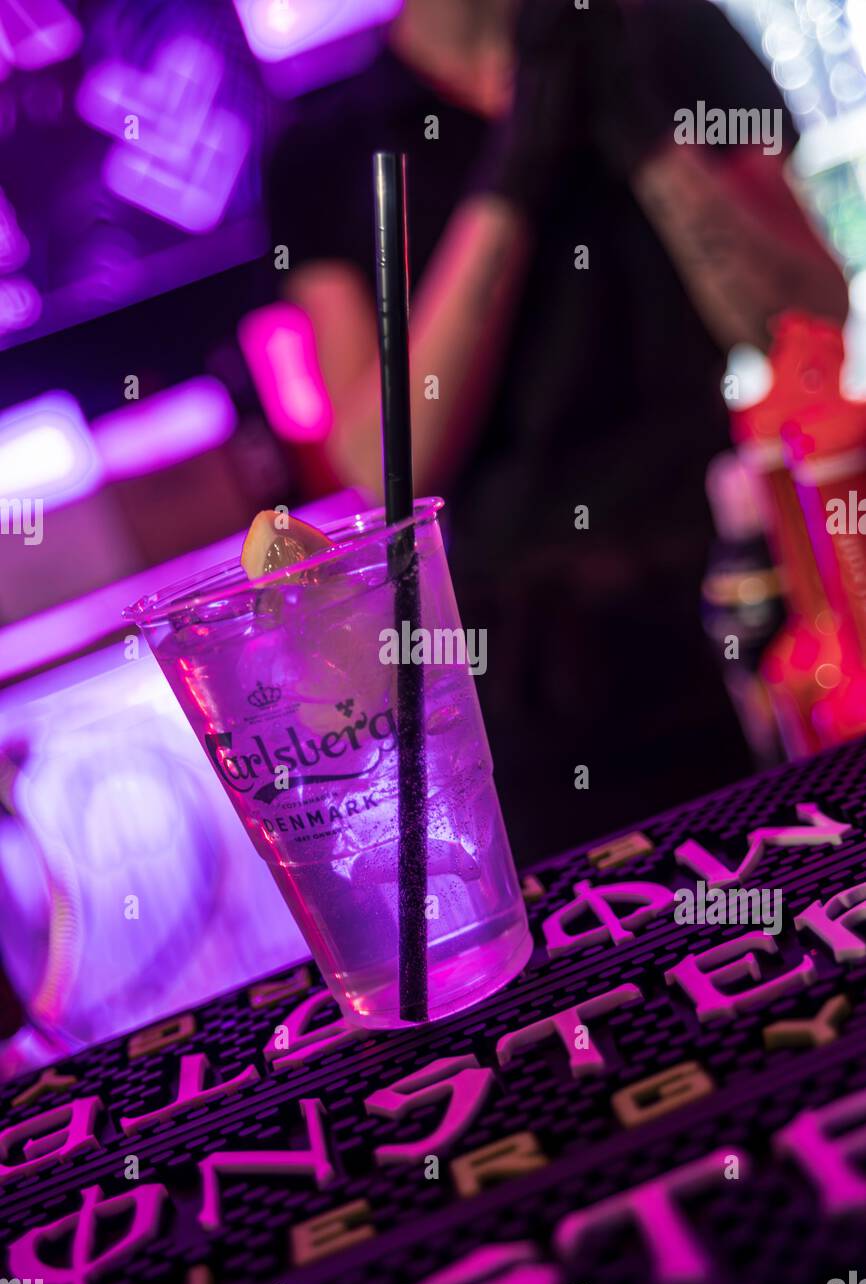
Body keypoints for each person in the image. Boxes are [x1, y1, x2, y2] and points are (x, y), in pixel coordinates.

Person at [267, 0, 848, 866]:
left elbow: (800, 314)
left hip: (752, 591)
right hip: (532, 669)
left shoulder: (671, 36)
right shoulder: (327, 145)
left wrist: (648, 138)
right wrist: (512, 172)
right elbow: (381, 456)